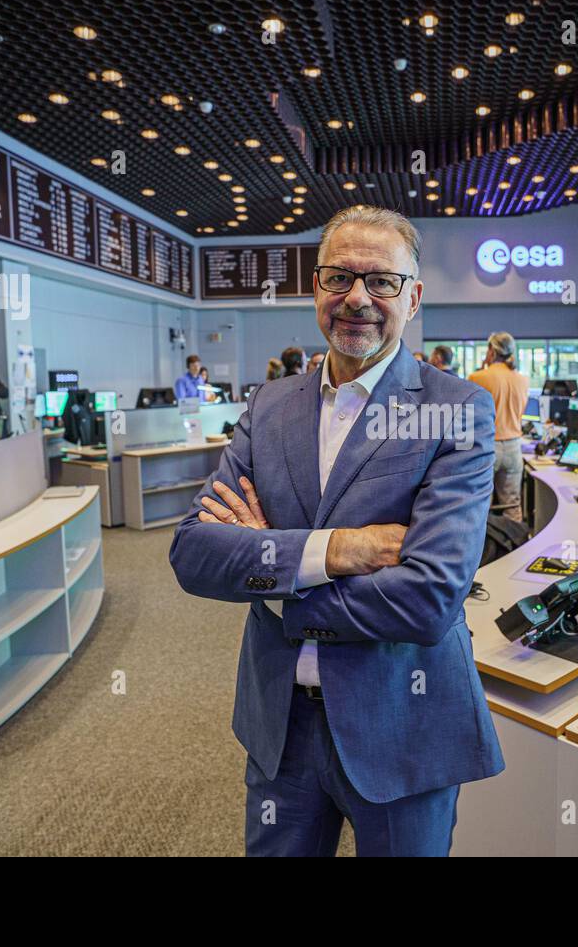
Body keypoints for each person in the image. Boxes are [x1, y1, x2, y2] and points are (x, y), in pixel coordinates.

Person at [169, 205, 502, 857]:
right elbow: (194, 553)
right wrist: (338, 550)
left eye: (381, 281)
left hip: (399, 724)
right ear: (315, 287)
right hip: (280, 727)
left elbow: (429, 598)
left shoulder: (456, 410)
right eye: (338, 277)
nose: (358, 298)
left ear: (414, 296)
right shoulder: (268, 408)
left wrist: (272, 581)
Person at [468, 332, 529, 522]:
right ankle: (515, 547)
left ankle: (485, 550)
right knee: (512, 505)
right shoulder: (523, 380)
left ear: (492, 350)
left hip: (486, 447)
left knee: (479, 505)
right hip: (513, 448)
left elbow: (469, 416)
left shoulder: (477, 377)